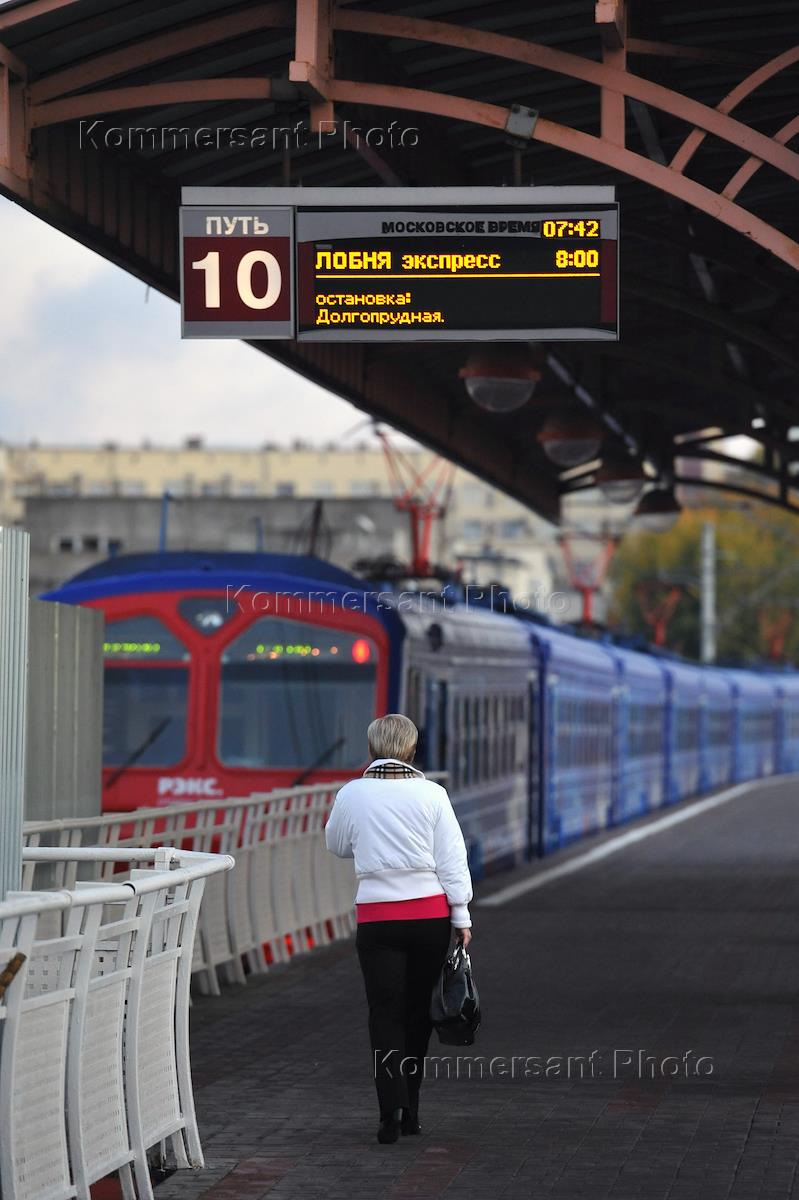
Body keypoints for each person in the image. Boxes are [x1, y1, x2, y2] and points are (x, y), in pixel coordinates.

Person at [325, 713, 473, 1145]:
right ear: (411, 750)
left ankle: (388, 1113)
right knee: (416, 1016)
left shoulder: (352, 794)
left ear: (371, 750)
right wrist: (461, 916)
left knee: (384, 1014)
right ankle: (412, 1111)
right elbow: (451, 858)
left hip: (378, 919)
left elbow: (335, 845)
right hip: (430, 918)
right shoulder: (433, 794)